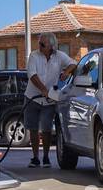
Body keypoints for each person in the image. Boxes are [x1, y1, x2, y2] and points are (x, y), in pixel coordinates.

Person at [23, 32, 75, 168]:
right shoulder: (34, 56)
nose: (39, 46)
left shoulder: (59, 57)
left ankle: (46, 157)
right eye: (39, 43)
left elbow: (73, 63)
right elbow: (32, 75)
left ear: (51, 46)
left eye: (42, 44)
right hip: (32, 98)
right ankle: (35, 157)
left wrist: (66, 72)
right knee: (33, 129)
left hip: (49, 101)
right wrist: (43, 90)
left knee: (46, 129)